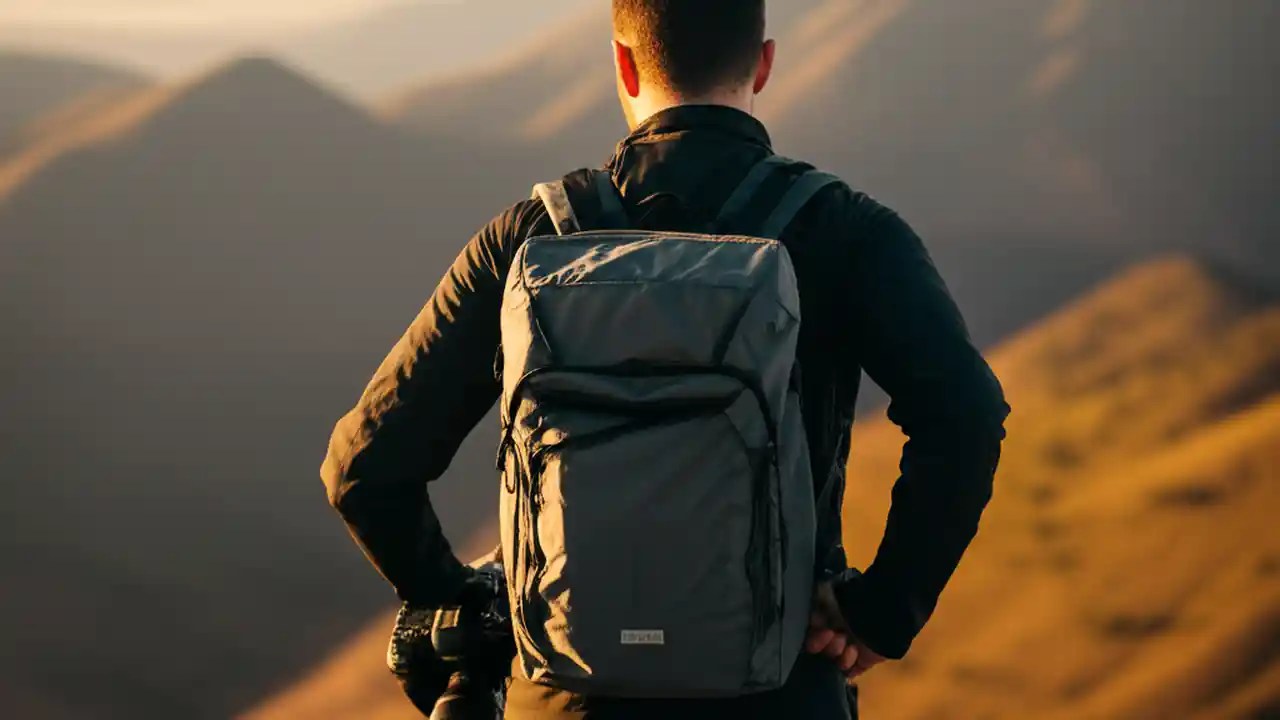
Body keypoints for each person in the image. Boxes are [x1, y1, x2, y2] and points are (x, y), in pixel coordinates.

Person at [321, 1, 1009, 718]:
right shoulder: (846, 231)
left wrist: (471, 601)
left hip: (571, 698)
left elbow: (363, 468)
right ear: (764, 63)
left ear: (621, 61)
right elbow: (966, 419)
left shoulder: (530, 243)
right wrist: (879, 611)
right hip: (780, 693)